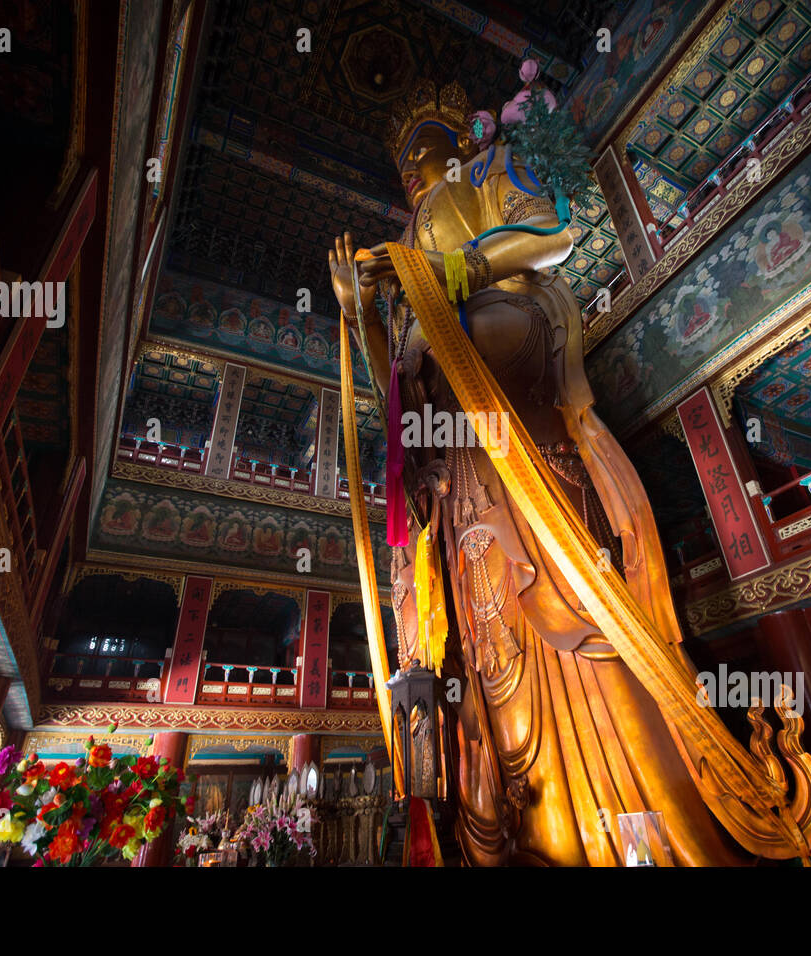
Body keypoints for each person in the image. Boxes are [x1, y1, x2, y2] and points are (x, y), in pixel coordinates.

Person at [328, 81, 759, 866]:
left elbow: (551, 237)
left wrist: (448, 269)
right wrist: (361, 311)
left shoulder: (487, 174)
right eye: (403, 169)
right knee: (488, 667)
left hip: (521, 447)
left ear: (458, 144)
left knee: (573, 619)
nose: (414, 174)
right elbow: (393, 384)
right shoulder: (405, 255)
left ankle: (642, 830)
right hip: (457, 484)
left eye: (423, 153)